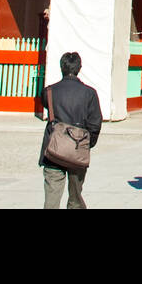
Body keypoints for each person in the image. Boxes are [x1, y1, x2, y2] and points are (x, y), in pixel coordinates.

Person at [39, 51, 102, 210]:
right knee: (75, 196)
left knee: (52, 195)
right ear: (79, 68)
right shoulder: (89, 93)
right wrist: (88, 143)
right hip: (77, 147)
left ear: (61, 67)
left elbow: (47, 105)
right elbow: (95, 123)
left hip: (54, 147)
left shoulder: (49, 91)